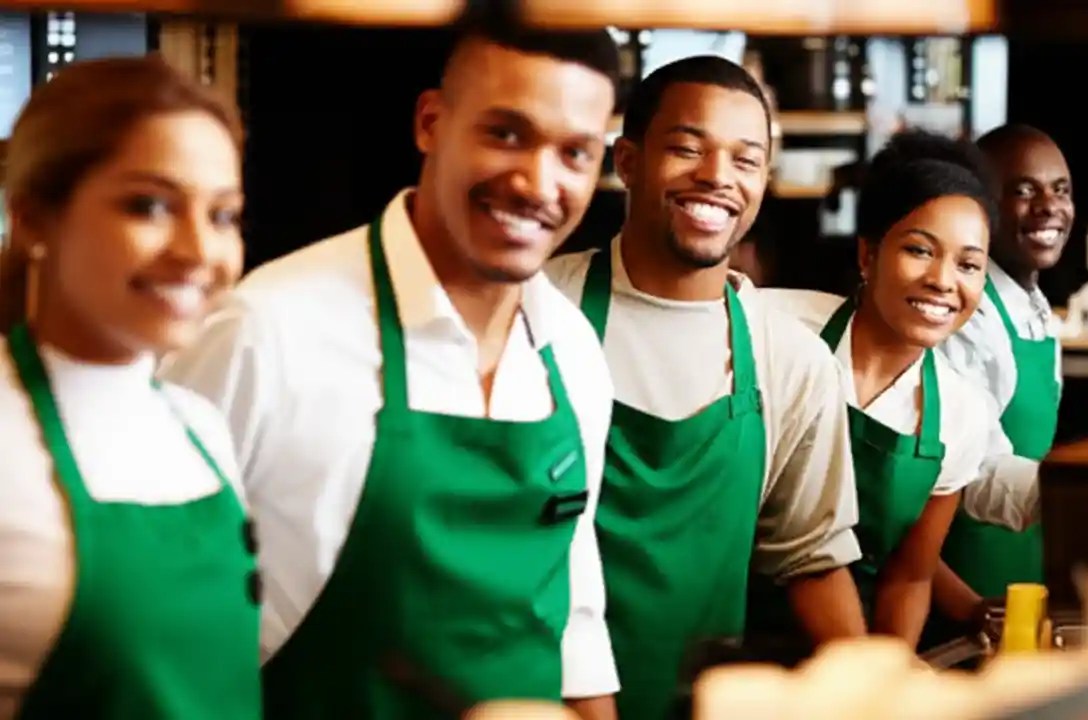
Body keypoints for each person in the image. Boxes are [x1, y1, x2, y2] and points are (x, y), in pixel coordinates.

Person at [161, 25, 622, 720]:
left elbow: (576, 619)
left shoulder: (575, 352)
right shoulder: (270, 331)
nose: (537, 182)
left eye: (574, 153)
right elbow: (152, 616)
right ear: (431, 122)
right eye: (505, 134)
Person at [544, 56, 864, 719]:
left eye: (746, 160)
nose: (717, 177)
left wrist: (878, 695)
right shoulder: (541, 310)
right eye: (687, 148)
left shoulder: (792, 360)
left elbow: (812, 559)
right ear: (627, 161)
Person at [0, 56, 258, 719]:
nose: (198, 250)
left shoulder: (199, 425)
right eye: (150, 205)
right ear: (32, 218)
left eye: (224, 215)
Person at [761, 130, 1010, 646]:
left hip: (854, 656)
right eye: (920, 250)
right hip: (735, 634)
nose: (943, 281)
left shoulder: (960, 416)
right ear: (868, 255)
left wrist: (888, 680)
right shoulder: (775, 329)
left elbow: (910, 574)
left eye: (968, 264)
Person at [936, 123, 1073, 603]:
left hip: (1023, 569)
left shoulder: (1038, 313)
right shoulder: (968, 312)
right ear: (982, 206)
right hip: (964, 582)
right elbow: (968, 470)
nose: (1050, 208)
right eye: (1023, 191)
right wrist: (1078, 495)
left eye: (1060, 190)